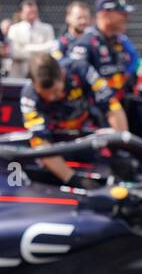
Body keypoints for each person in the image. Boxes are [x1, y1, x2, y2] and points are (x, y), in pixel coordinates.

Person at [20, 52, 119, 183]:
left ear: (62, 74)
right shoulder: (29, 97)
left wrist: (120, 146)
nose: (51, 98)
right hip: (55, 146)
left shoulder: (80, 70)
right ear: (35, 86)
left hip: (89, 137)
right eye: (45, 94)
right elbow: (40, 143)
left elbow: (112, 106)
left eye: (56, 92)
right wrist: (73, 179)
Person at [73, 0, 135, 133]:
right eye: (122, 13)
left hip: (121, 109)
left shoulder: (119, 42)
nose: (126, 17)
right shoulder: (86, 44)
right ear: (105, 14)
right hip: (96, 120)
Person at [6, 0, 55, 79]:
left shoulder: (47, 28)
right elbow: (14, 52)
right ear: (21, 13)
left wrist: (26, 48)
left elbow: (50, 49)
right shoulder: (14, 29)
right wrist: (41, 49)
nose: (32, 15)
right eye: (28, 12)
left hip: (41, 72)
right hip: (19, 73)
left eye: (34, 12)